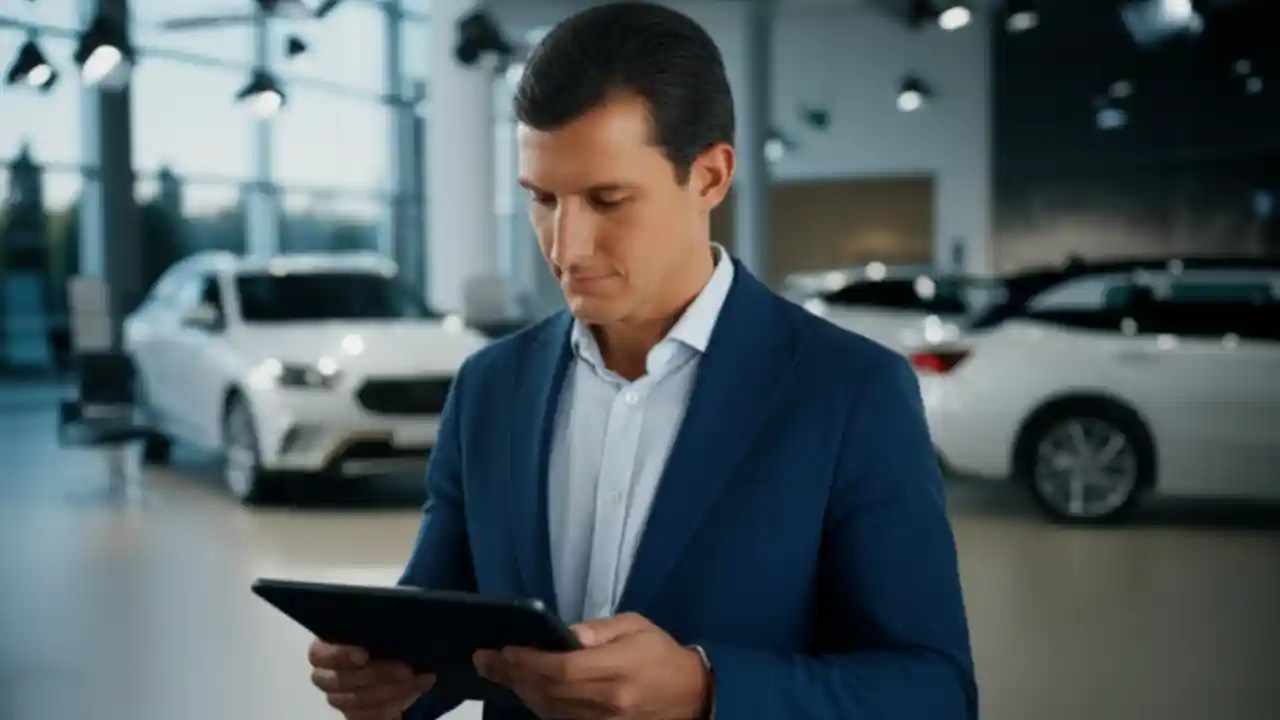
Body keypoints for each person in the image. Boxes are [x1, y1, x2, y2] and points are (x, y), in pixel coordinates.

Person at [307, 3, 976, 718]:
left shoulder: (850, 392)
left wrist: (706, 690)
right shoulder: (489, 387)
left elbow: (933, 692)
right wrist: (384, 681)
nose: (567, 247)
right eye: (542, 199)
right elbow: (447, 634)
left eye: (608, 199)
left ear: (711, 177)